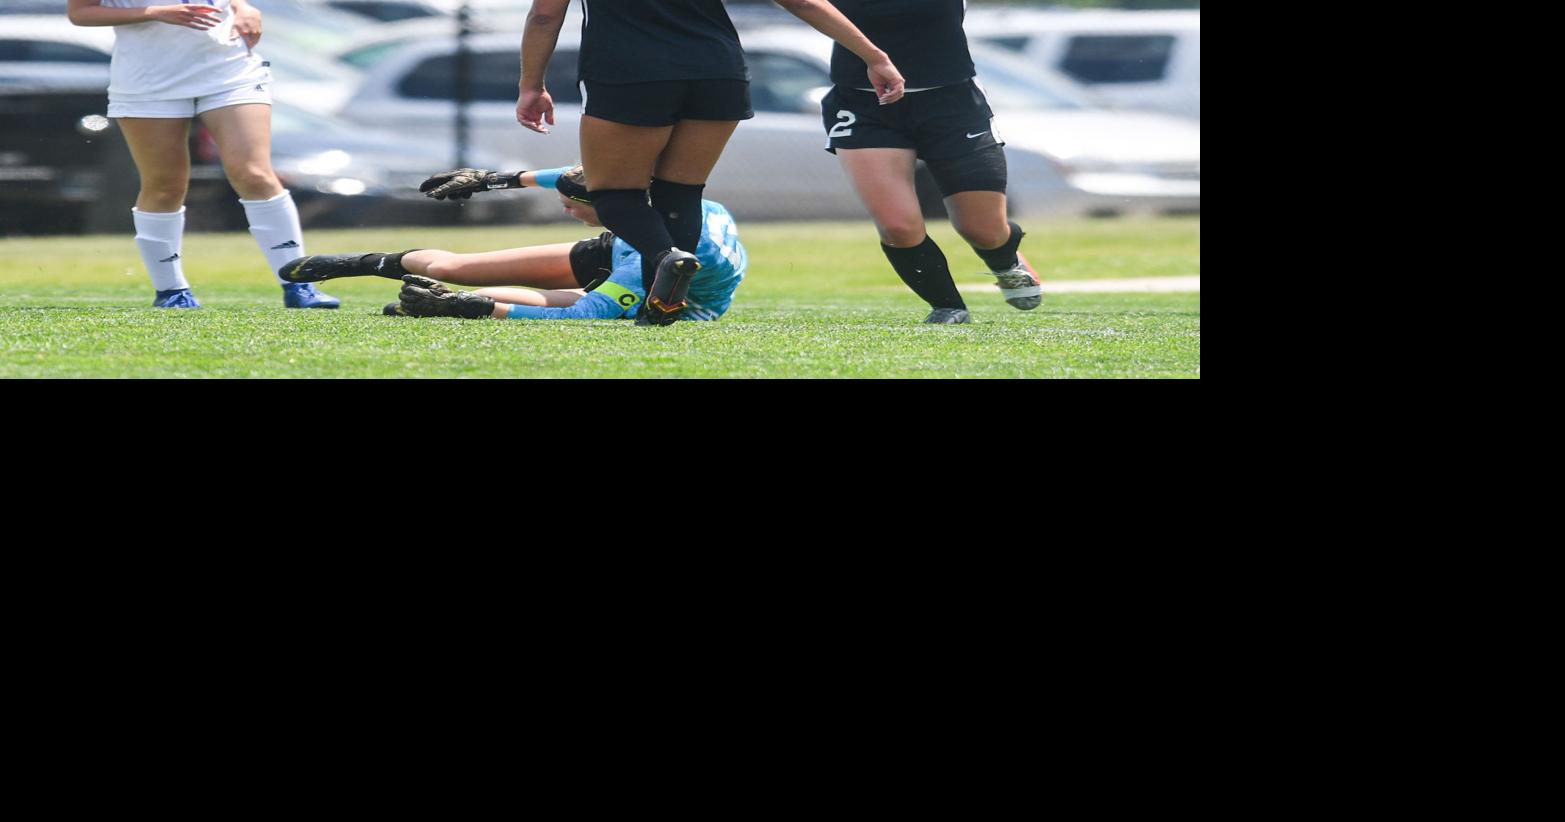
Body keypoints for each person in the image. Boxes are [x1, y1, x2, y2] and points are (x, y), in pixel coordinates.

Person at [517, 0, 904, 325]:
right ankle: (659, 307)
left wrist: (532, 85)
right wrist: (875, 56)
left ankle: (667, 257)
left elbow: (546, 15)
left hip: (631, 70)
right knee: (680, 193)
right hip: (718, 70)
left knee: (614, 195)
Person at [67, 0, 338, 309]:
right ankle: (171, 291)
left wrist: (242, 7)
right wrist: (157, 13)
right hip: (148, 80)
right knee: (164, 185)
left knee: (255, 175)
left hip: (229, 70)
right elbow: (80, 12)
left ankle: (299, 283)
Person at [277, 165, 745, 323]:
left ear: (608, 206)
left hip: (667, 290)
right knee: (454, 267)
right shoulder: (642, 196)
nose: (565, 211)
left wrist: (476, 311)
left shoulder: (639, 263)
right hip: (637, 243)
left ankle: (458, 300)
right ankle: (365, 263)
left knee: (575, 299)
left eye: (572, 206)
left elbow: (583, 317)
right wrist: (491, 180)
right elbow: (575, 173)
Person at [820, 0, 1043, 324]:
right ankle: (948, 307)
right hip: (864, 102)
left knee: (982, 229)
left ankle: (1005, 260)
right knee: (898, 226)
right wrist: (874, 57)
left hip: (951, 101)